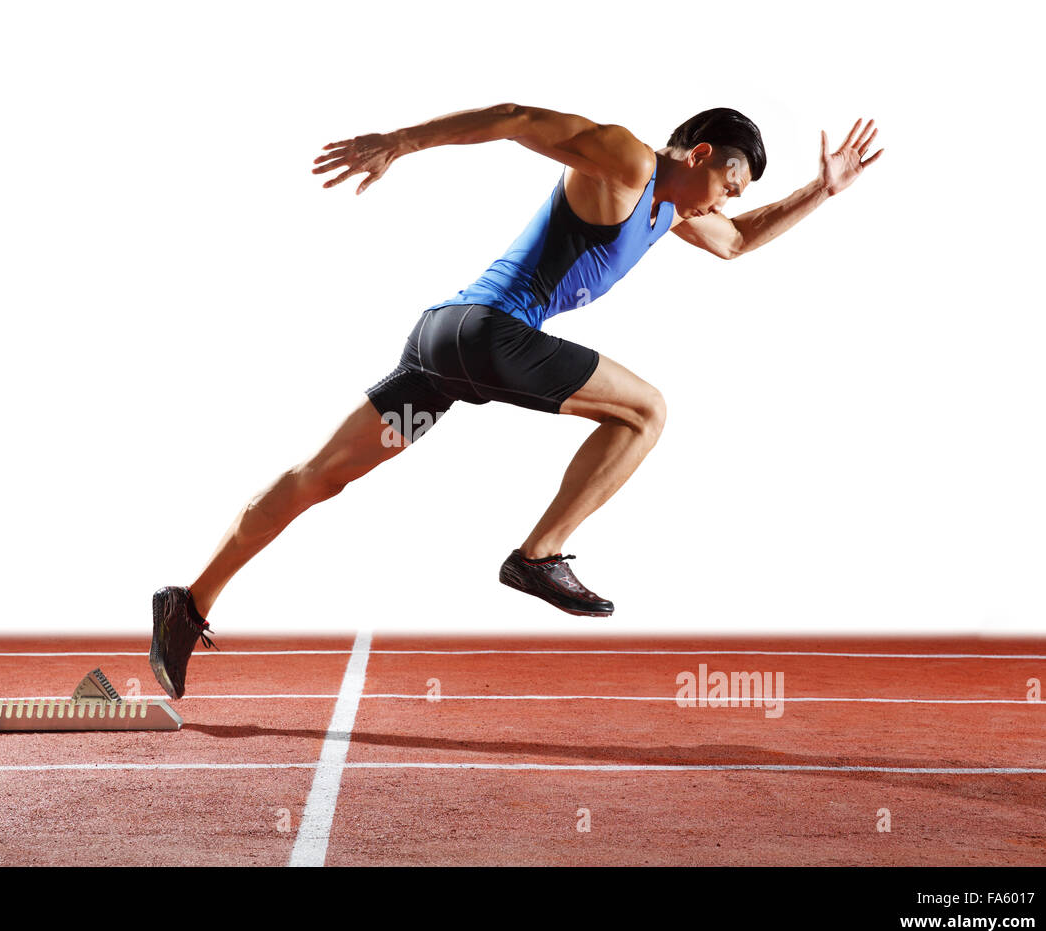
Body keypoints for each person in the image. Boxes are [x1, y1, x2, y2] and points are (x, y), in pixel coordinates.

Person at [149, 104, 884, 698]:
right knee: (646, 411)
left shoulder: (674, 213)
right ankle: (537, 557)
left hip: (442, 355)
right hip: (488, 338)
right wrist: (399, 142)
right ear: (700, 157)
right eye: (731, 183)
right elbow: (515, 118)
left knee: (320, 477)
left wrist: (822, 190)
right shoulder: (627, 165)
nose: (731, 200)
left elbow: (738, 243)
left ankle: (189, 602)